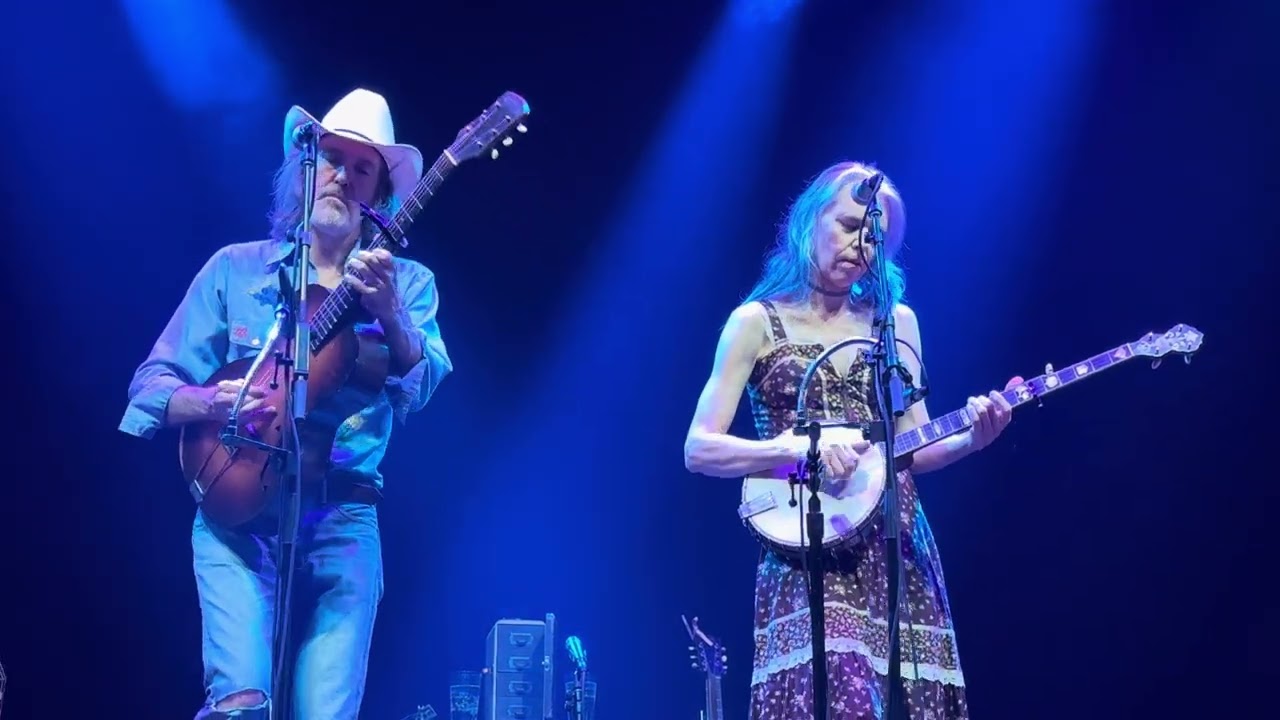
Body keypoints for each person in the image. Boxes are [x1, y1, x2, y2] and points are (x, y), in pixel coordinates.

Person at [118, 88, 453, 719]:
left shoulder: (408, 285)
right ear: (306, 167)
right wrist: (212, 403)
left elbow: (420, 386)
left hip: (342, 516)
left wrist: (391, 315)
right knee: (241, 707)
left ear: (379, 194)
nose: (342, 178)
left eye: (363, 169)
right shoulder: (235, 271)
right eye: (333, 158)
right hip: (237, 517)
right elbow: (149, 385)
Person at [684, 161, 1020, 719]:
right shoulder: (755, 322)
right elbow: (699, 448)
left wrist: (973, 439)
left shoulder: (896, 324)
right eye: (846, 225)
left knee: (909, 702)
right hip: (808, 543)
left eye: (873, 238)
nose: (858, 246)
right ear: (810, 220)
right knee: (835, 690)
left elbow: (916, 445)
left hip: (897, 538)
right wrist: (795, 450)